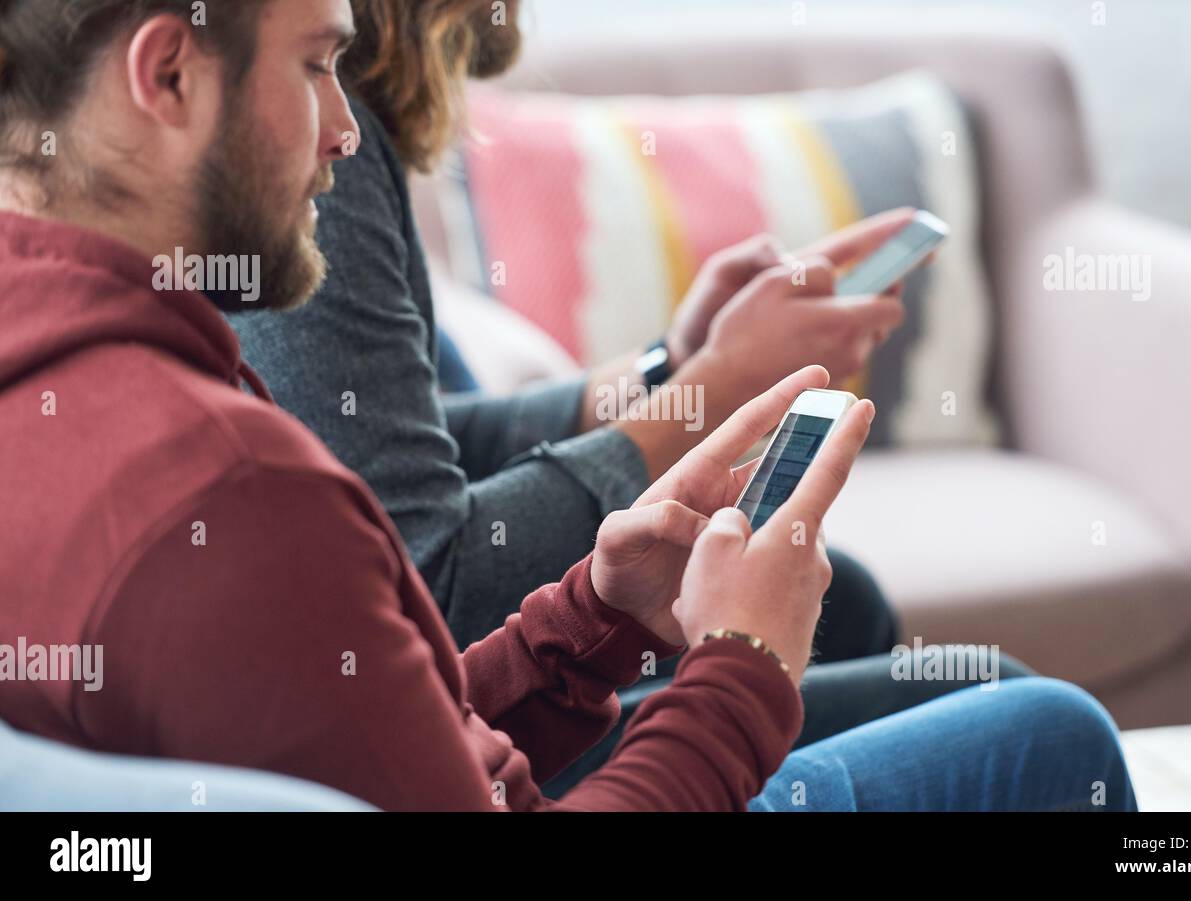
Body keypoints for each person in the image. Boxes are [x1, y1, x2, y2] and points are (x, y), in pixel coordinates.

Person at [0, 0, 1136, 813]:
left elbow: (379, 711)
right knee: (1048, 735)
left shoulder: (99, 372)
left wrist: (590, 612)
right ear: (169, 78)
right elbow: (415, 573)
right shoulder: (242, 488)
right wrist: (739, 659)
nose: (339, 126)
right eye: (310, 66)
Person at [225, 0, 1026, 792]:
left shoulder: (328, 131)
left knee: (843, 597)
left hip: (454, 706)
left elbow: (403, 448)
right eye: (310, 67)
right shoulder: (317, 151)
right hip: (445, 705)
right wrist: (719, 388)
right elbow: (434, 579)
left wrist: (673, 367)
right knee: (1026, 714)